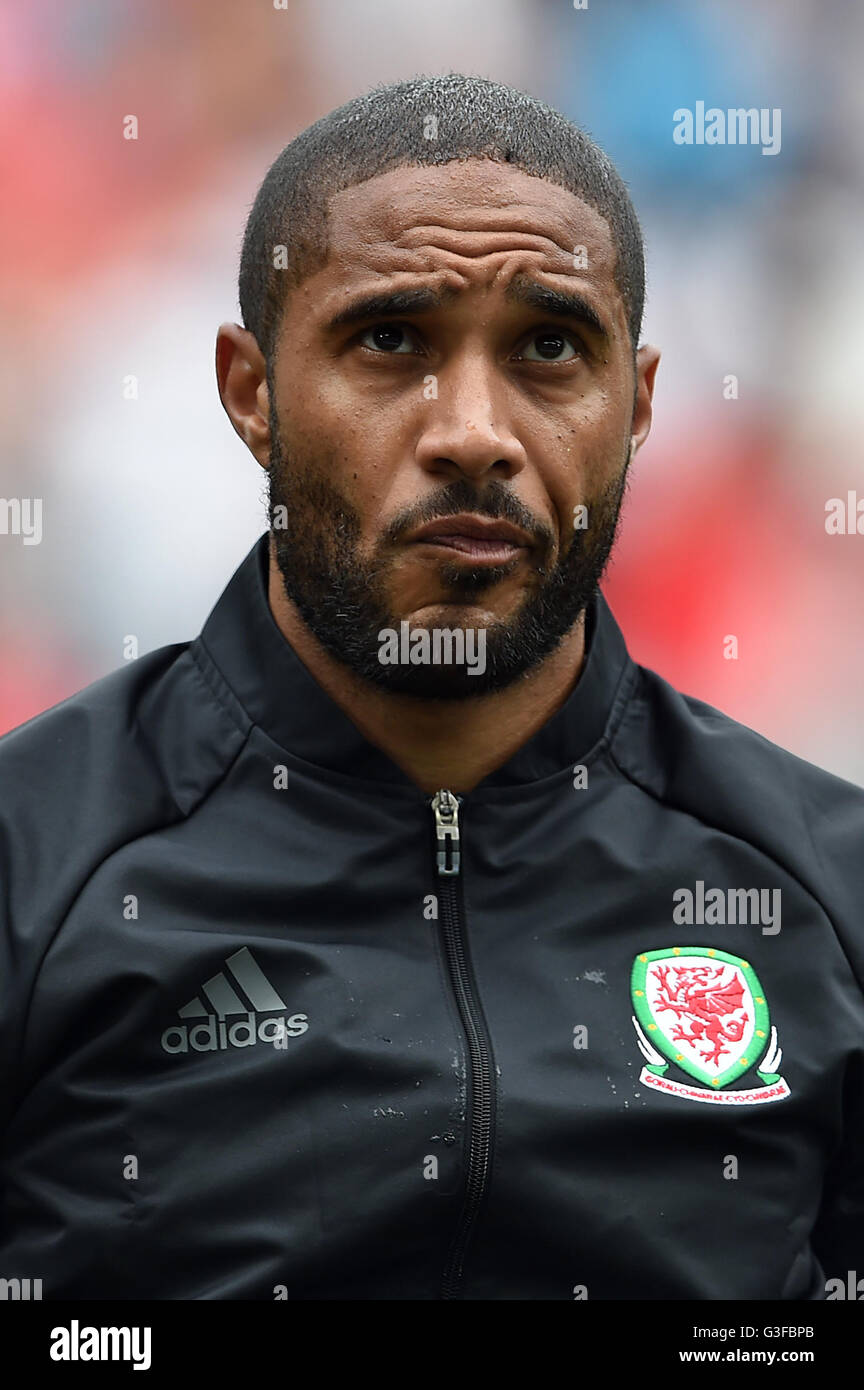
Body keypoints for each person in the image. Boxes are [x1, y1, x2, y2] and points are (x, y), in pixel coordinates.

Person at [0, 73, 861, 1302]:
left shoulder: (821, 886)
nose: (471, 429)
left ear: (641, 405)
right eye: (390, 339)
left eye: (550, 347)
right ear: (251, 392)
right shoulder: (34, 864)